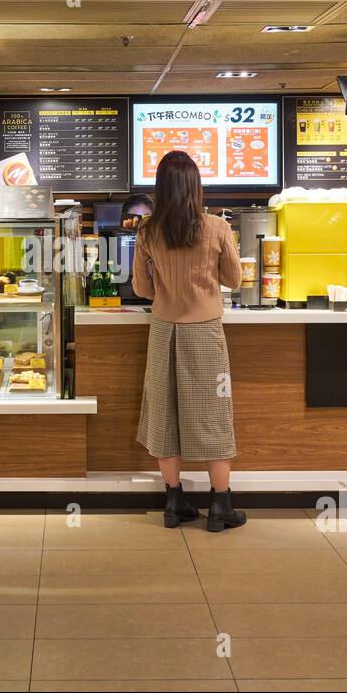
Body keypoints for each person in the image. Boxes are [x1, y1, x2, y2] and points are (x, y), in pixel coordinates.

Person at [132, 151, 246, 532]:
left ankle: (174, 503)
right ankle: (219, 507)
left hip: (164, 329)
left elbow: (141, 288)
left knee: (164, 416)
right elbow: (234, 280)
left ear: (159, 189)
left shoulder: (146, 230)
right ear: (196, 186)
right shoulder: (217, 226)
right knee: (213, 416)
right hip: (206, 334)